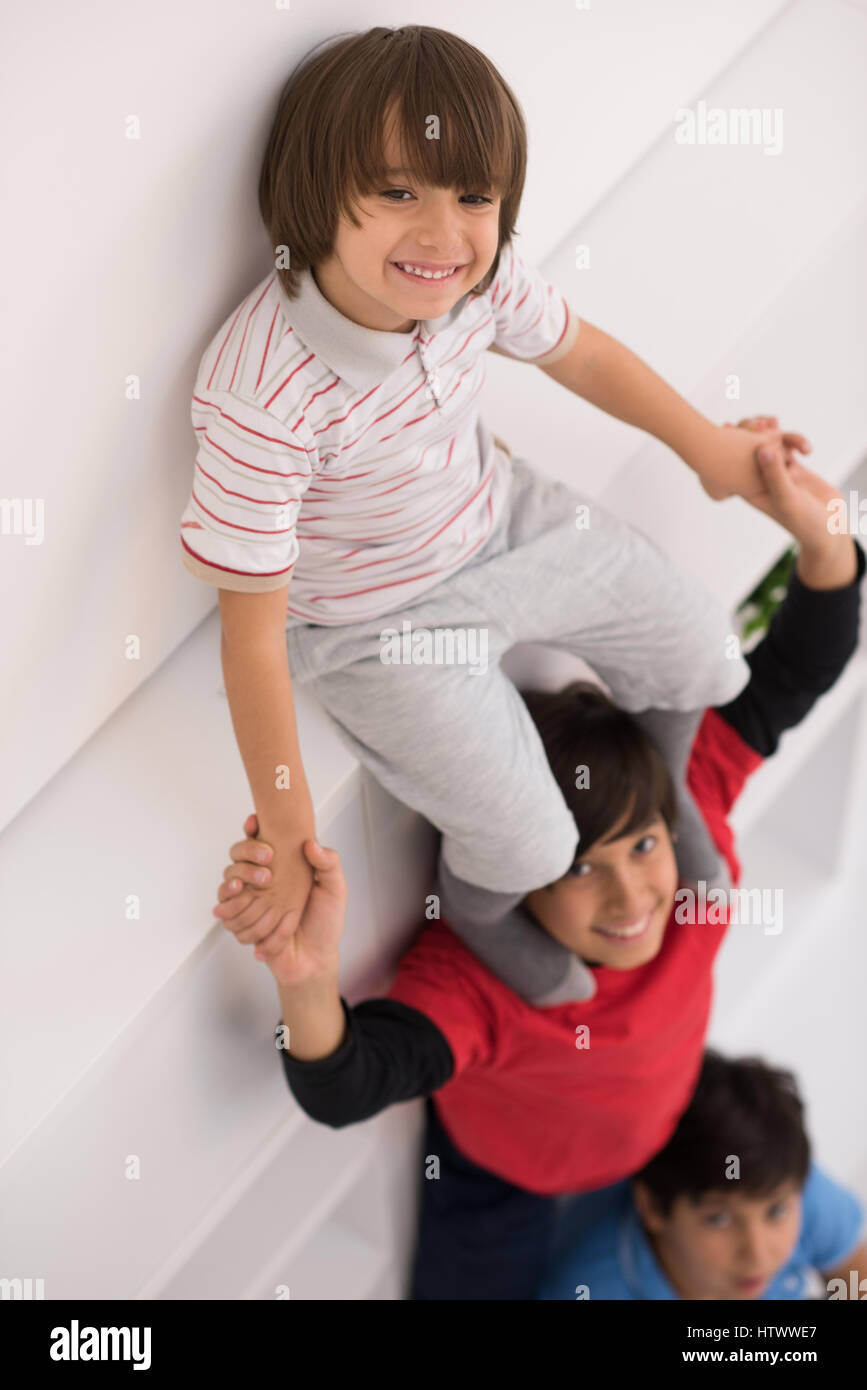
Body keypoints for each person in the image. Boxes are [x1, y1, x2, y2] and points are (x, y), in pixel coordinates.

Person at [180, 23, 810, 1006]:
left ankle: (664, 793)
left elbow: (581, 352)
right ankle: (477, 912)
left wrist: (712, 451)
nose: (444, 234)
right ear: (312, 195)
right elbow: (252, 640)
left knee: (702, 646)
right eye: (398, 192)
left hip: (503, 521)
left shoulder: (476, 280)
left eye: (473, 198)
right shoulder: (264, 392)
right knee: (531, 839)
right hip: (376, 627)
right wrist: (294, 835)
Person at [211, 434, 864, 1298]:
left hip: (660, 1101)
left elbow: (794, 671)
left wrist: (822, 534)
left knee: (765, 1173)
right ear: (520, 885)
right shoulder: (475, 980)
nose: (633, 895)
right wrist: (305, 978)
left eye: (640, 847)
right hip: (503, 1169)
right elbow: (344, 1086)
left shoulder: (683, 806)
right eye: (577, 870)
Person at [538, 1051, 867, 1301]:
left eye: (776, 1212)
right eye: (718, 1219)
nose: (757, 1254)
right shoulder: (585, 1286)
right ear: (651, 1206)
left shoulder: (778, 1178)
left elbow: (857, 1276)